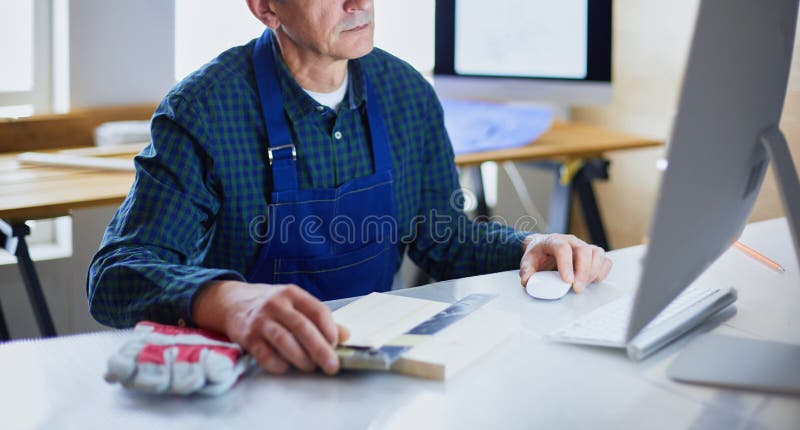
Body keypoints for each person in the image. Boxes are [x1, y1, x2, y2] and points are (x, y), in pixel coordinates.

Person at [88, 0, 612, 377]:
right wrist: (225, 300)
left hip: (372, 374)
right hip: (250, 379)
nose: (359, 3)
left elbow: (443, 238)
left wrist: (527, 247)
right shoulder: (204, 109)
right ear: (265, 8)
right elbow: (115, 275)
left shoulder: (406, 93)